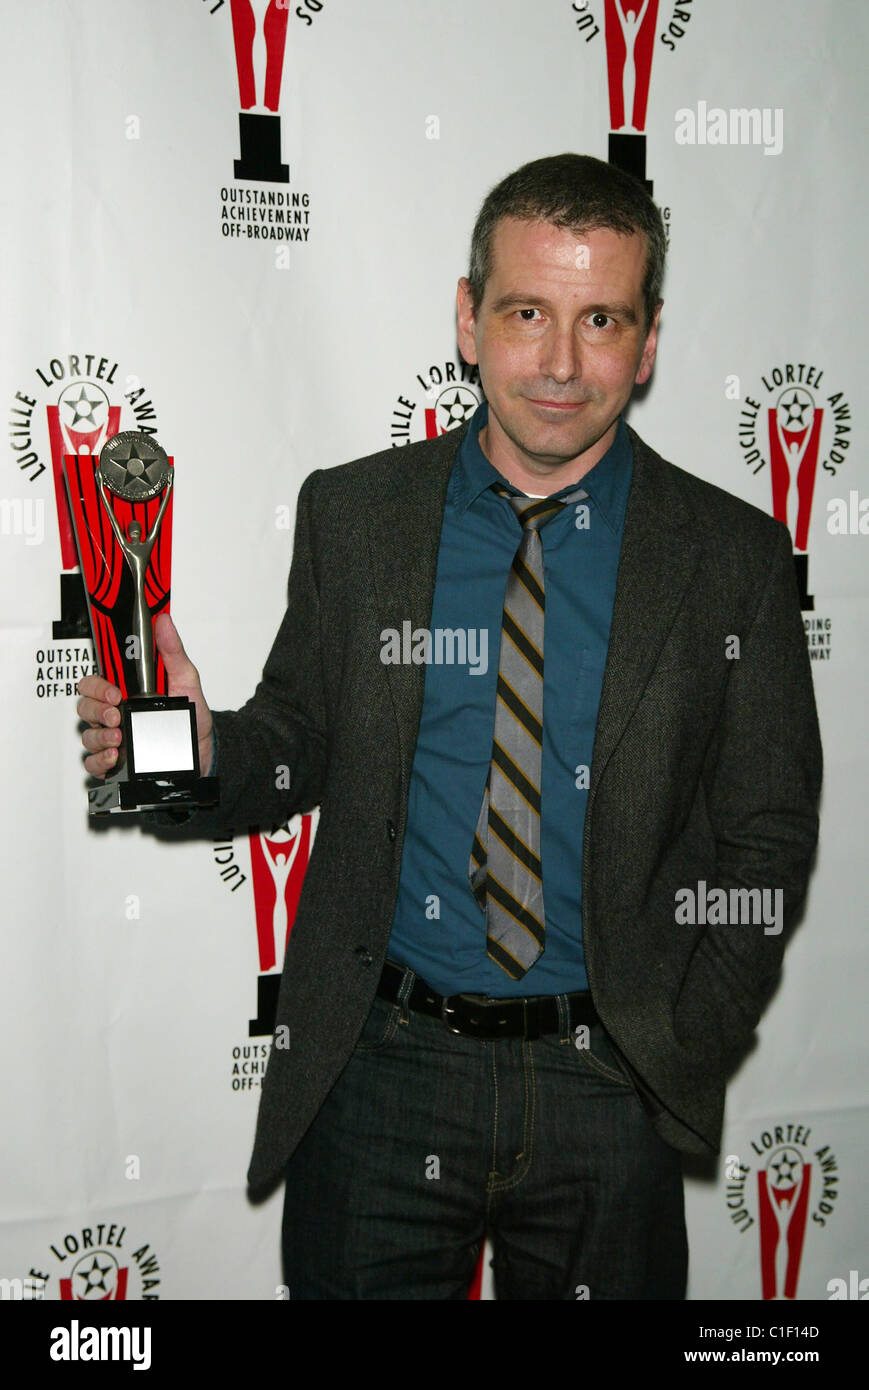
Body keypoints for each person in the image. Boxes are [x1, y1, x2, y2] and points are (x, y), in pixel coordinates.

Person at [77, 153, 822, 1300]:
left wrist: (680, 1039)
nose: (562, 363)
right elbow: (298, 742)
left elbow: (766, 837)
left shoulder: (729, 559)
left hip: (604, 1086)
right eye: (527, 312)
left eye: (601, 319)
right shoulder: (356, 515)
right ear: (467, 319)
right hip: (381, 1076)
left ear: (648, 340)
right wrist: (210, 747)